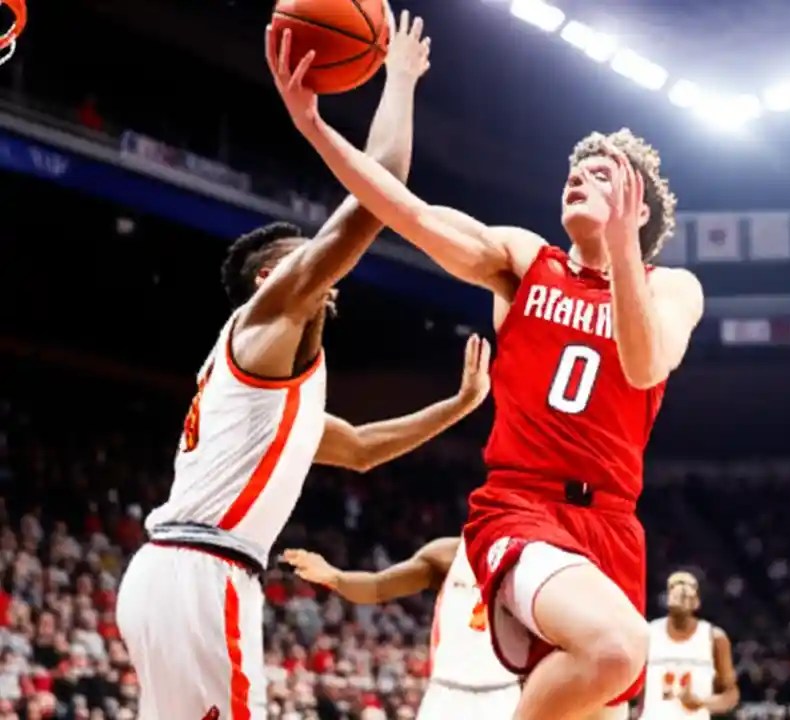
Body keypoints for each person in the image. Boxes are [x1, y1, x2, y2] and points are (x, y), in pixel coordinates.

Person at [268, 25, 704, 720]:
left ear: (638, 208)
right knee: (620, 648)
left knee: (607, 695)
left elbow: (644, 361)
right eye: (575, 171)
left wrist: (624, 254)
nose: (578, 177)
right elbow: (407, 213)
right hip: (522, 510)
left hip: (612, 528)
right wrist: (315, 128)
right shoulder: (524, 262)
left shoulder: (672, 287)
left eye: (601, 174)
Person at [114, 15, 492, 720]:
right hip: (201, 573)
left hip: (178, 572)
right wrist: (398, 80)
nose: (324, 269)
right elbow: (381, 193)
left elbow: (361, 449)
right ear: (269, 278)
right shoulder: (266, 318)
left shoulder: (272, 392)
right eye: (304, 258)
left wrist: (458, 406)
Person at [281, 538, 521, 719]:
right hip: (445, 691)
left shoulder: (532, 560)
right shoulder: (448, 554)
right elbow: (377, 587)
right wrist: (334, 576)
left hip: (505, 692)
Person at [639, 572, 739, 720]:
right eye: (675, 588)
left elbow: (731, 694)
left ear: (696, 601)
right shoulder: (648, 633)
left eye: (687, 589)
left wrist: (702, 703)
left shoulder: (714, 637)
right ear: (666, 598)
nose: (681, 591)